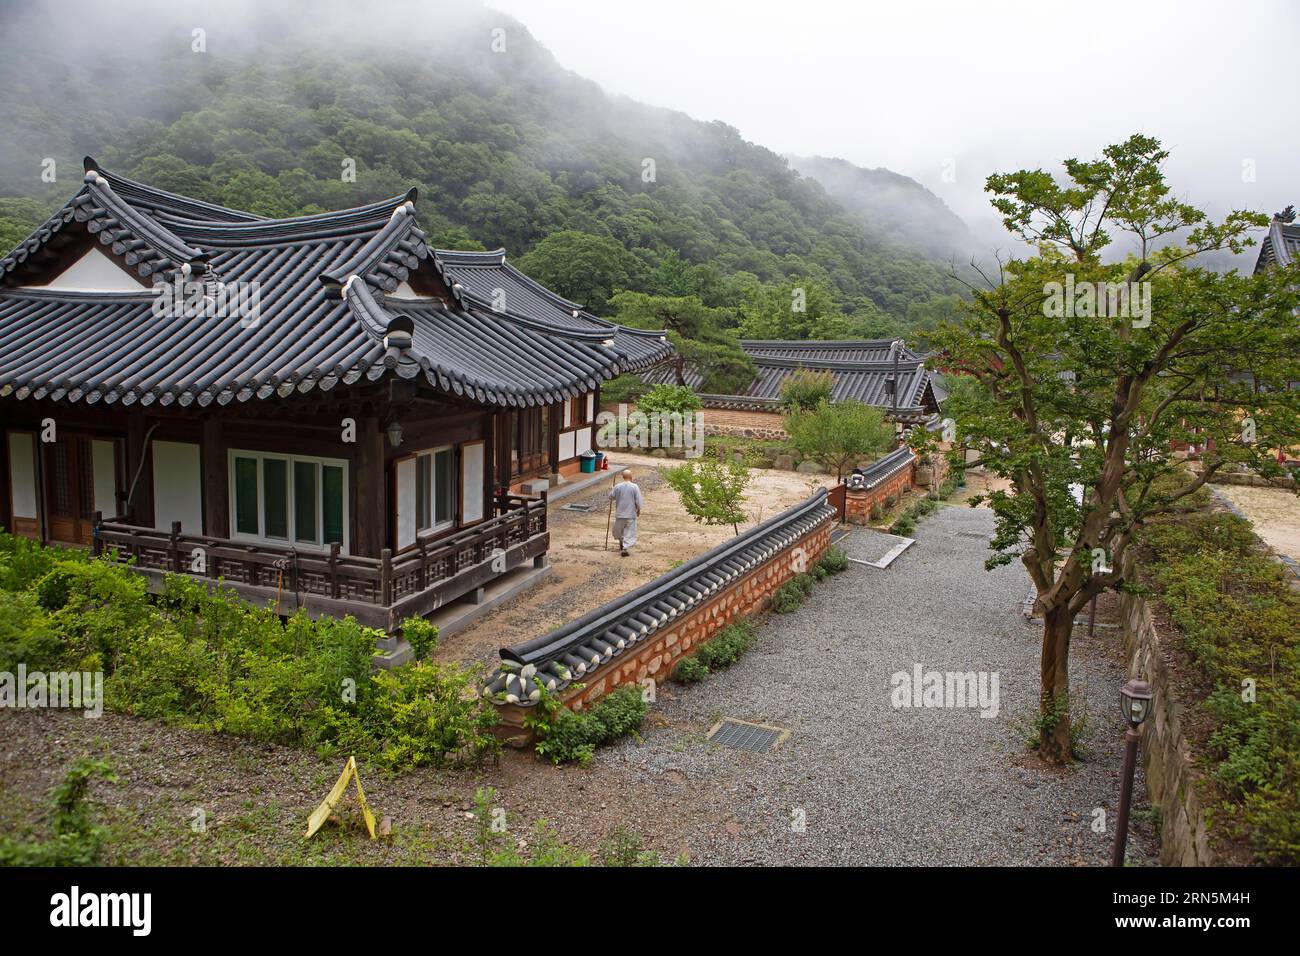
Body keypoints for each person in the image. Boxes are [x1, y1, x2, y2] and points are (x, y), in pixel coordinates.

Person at [608, 469, 643, 557]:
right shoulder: (634, 486)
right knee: (629, 532)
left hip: (620, 513)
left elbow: (611, 497)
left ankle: (621, 542)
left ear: (623, 477)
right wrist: (638, 510)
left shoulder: (618, 486)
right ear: (631, 477)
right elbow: (638, 500)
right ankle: (625, 548)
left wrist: (612, 489)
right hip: (630, 514)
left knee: (619, 530)